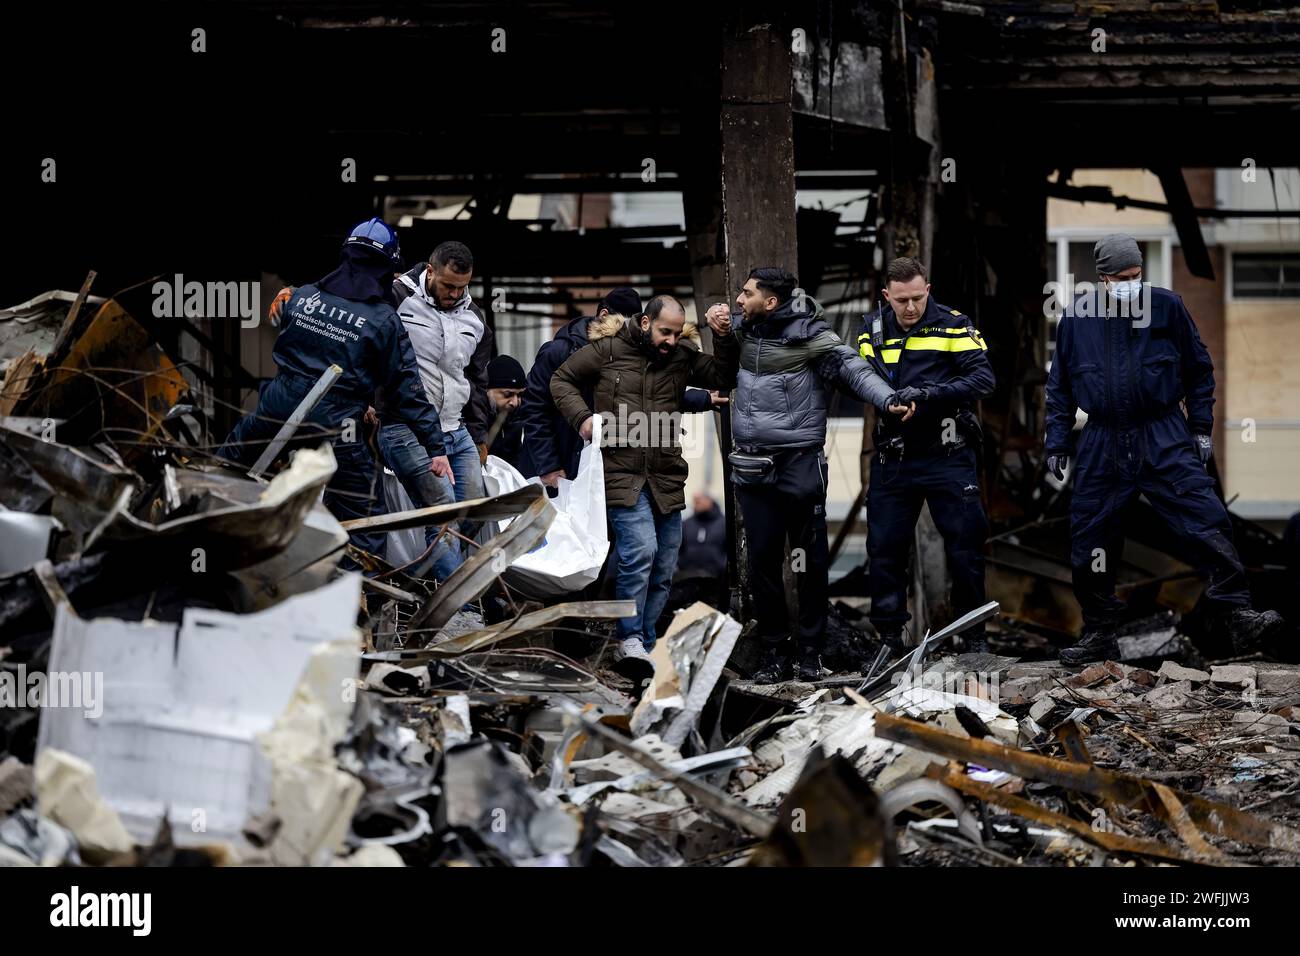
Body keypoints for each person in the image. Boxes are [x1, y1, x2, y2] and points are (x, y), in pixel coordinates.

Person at [1045, 233, 1285, 664]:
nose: (1131, 284)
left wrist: (1201, 429)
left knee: (1205, 517)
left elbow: (1198, 370)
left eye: (1137, 276)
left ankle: (1236, 613)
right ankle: (1099, 632)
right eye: (1122, 278)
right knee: (1090, 539)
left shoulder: (1167, 307)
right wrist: (1057, 440)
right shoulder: (1077, 318)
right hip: (1103, 439)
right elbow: (1059, 387)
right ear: (1102, 278)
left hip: (1163, 432)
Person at [217, 218, 451, 567]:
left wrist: (292, 295)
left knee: (226, 467)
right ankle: (356, 596)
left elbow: (293, 321)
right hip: (337, 420)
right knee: (365, 508)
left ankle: (202, 540)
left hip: (278, 403)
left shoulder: (304, 297)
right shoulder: (384, 320)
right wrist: (435, 446)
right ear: (386, 267)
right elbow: (407, 389)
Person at [719, 267, 914, 683]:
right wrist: (715, 325)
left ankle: (809, 653)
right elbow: (712, 356)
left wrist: (890, 399)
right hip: (753, 465)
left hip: (799, 463)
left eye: (747, 293)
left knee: (810, 562)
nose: (739, 299)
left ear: (770, 302)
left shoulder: (811, 337)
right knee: (763, 564)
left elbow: (855, 370)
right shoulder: (741, 333)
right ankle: (773, 652)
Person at [550, 296, 738, 663]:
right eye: (664, 331)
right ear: (647, 322)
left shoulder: (680, 357)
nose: (670, 340)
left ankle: (645, 642)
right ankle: (629, 636)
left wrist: (724, 336)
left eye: (675, 332)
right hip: (620, 471)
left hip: (665, 475)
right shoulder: (608, 349)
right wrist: (582, 418)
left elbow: (723, 377)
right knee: (640, 552)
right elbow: (562, 380)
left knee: (666, 563)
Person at [857, 257, 995, 654]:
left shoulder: (954, 324)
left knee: (965, 544)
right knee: (884, 547)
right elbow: (856, 377)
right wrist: (887, 400)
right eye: (902, 300)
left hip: (946, 453)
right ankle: (888, 641)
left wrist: (928, 394)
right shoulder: (871, 328)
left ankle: (974, 637)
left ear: (928, 289)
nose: (911, 308)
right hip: (893, 456)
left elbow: (983, 379)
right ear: (888, 296)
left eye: (918, 298)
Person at [518, 288, 719, 488]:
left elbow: (644, 396)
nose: (626, 333)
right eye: (620, 325)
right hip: (553, 470)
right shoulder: (559, 352)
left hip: (594, 472)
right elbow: (534, 408)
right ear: (604, 316)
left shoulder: (624, 354)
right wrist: (548, 466)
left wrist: (702, 399)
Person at [374, 241, 492, 577]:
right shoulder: (395, 297)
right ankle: (456, 612)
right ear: (430, 270)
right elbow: (351, 302)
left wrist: (479, 434)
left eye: (462, 287)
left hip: (456, 430)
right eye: (448, 286)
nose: (455, 294)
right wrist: (297, 292)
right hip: (405, 427)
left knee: (471, 511)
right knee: (441, 513)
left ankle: (431, 584)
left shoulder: (475, 318)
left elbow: (477, 381)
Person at [484, 354, 526, 469]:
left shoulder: (516, 417)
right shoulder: (475, 420)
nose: (515, 402)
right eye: (508, 394)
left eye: (520, 395)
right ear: (488, 390)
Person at [679, 492, 728, 578]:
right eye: (695, 501)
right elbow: (679, 548)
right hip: (688, 576)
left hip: (718, 578)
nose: (697, 503)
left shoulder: (724, 523)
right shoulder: (686, 524)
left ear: (710, 501)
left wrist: (723, 565)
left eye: (700, 500)